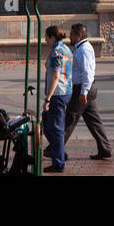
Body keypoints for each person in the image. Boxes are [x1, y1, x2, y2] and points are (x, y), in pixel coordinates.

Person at [65, 22, 112, 160]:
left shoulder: (84, 49)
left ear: (79, 36)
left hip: (84, 88)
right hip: (85, 88)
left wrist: (83, 92)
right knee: (93, 120)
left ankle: (55, 148)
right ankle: (105, 148)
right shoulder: (80, 48)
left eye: (72, 34)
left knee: (70, 118)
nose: (70, 37)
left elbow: (88, 73)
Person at [41, 25, 72, 172]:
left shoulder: (56, 52)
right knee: (47, 121)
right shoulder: (65, 49)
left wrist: (48, 98)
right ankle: (59, 152)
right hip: (64, 91)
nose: (45, 40)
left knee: (56, 128)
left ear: (52, 37)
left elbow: (55, 76)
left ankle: (58, 163)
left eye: (46, 37)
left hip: (58, 93)